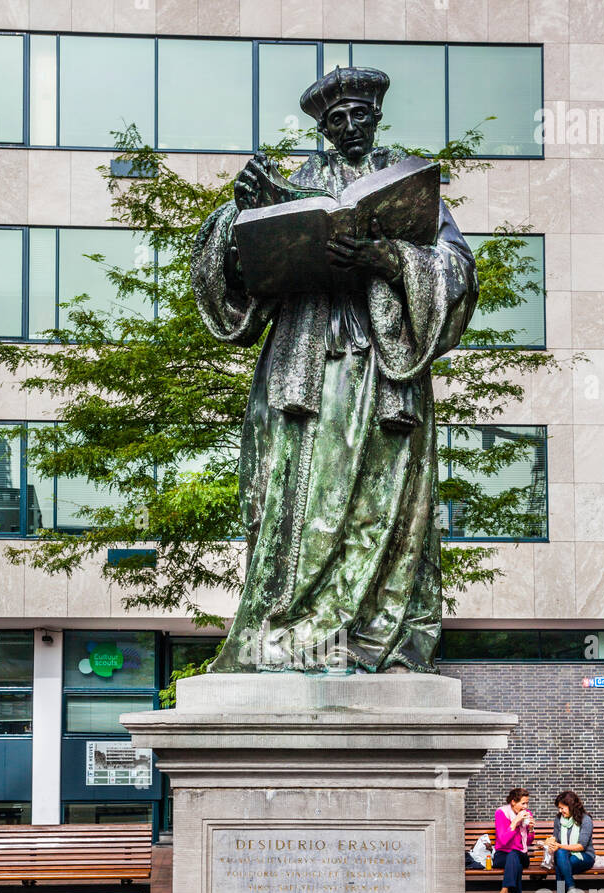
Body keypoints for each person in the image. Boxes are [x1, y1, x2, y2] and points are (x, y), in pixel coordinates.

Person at [192, 65, 479, 672]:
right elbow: (235, 288)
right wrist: (238, 218)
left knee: (385, 490)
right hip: (307, 362)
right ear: (322, 127)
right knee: (297, 492)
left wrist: (391, 258)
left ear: (377, 118)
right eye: (337, 119)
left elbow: (457, 269)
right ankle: (295, 632)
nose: (351, 127)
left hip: (383, 366)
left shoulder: (409, 188)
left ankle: (377, 632)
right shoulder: (291, 185)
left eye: (361, 116)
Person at [493, 788, 535, 893]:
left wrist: (531, 829)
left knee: (514, 857)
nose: (526, 807)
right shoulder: (501, 813)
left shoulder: (527, 814)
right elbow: (503, 841)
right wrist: (515, 822)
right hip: (502, 855)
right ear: (513, 802)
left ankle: (504, 891)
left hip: (521, 855)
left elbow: (528, 841)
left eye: (527, 803)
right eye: (523, 803)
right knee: (513, 860)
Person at [545, 790, 595, 893]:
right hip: (564, 855)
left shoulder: (585, 820)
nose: (560, 810)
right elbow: (556, 839)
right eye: (559, 808)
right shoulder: (558, 819)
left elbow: (581, 846)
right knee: (561, 857)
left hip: (584, 856)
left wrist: (559, 846)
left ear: (571, 806)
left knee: (560, 866)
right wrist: (550, 843)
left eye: (562, 808)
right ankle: (571, 888)